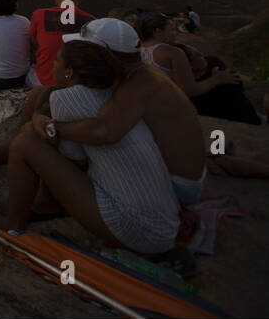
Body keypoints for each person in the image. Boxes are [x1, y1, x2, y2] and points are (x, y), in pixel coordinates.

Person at [0, 42, 181, 256]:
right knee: (33, 134)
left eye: (57, 60)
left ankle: (13, 223)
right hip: (165, 223)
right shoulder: (116, 94)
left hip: (136, 228)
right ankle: (26, 205)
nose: (53, 64)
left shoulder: (65, 98)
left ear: (69, 72)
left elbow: (74, 158)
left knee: (25, 143)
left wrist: (40, 126)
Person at [32, 18, 207, 207]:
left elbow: (105, 132)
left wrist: (51, 127)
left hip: (177, 187)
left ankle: (49, 203)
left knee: (62, 141)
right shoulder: (136, 73)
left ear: (102, 53)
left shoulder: (140, 83)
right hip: (181, 177)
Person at [28, 0, 95, 91]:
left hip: (43, 81)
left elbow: (34, 42)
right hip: (75, 83)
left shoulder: (39, 14)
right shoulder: (92, 21)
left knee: (30, 70)